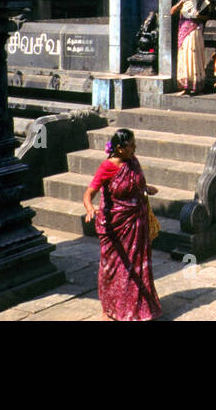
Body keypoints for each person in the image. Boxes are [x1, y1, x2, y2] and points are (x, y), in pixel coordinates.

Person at [83, 128, 162, 321]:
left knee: (137, 267)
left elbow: (136, 182)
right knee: (111, 268)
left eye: (135, 144)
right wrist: (90, 209)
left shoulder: (132, 162)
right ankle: (109, 309)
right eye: (131, 145)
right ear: (119, 149)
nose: (134, 148)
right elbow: (89, 193)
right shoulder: (107, 167)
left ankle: (137, 310)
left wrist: (145, 188)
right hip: (115, 225)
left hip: (136, 222)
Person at [170, 0, 211, 96]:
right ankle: (185, 86)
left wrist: (197, 17)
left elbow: (207, 16)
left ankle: (197, 86)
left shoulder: (201, 1)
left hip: (195, 31)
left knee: (193, 56)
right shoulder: (183, 0)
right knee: (184, 57)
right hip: (183, 31)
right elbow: (172, 11)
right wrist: (181, 2)